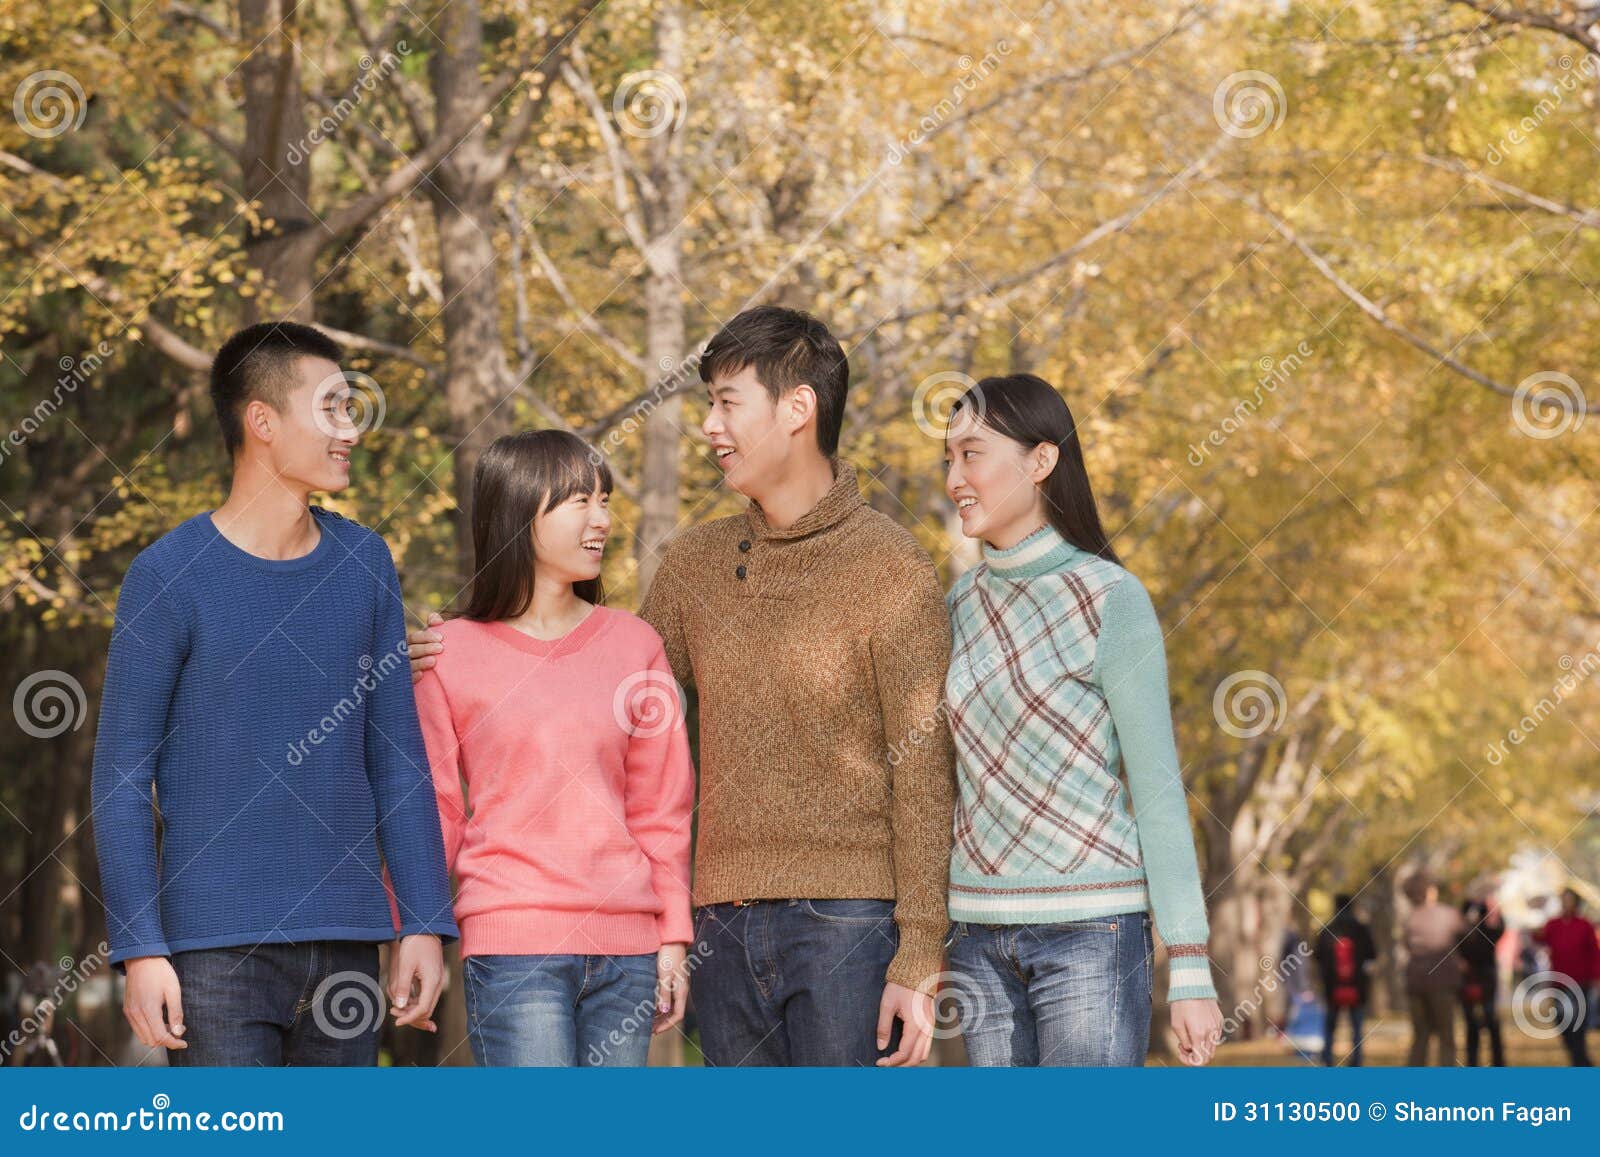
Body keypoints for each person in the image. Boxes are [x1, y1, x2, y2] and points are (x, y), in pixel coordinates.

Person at [410, 306, 956, 1066]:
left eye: (727, 402)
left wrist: (920, 954)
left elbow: (926, 773)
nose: (709, 426)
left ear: (797, 408)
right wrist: (459, 646)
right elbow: (590, 682)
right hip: (721, 930)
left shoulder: (893, 568)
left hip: (851, 925)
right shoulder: (697, 563)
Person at [90, 322, 458, 1066]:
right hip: (212, 955)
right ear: (262, 421)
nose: (351, 428)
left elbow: (397, 760)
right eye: (333, 407)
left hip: (349, 944)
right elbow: (122, 778)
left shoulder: (365, 563)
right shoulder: (165, 577)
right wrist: (140, 948)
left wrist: (423, 916)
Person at [938, 374, 1223, 1066]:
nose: (954, 477)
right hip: (977, 934)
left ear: (1040, 461)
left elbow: (1156, 788)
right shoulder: (958, 604)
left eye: (972, 454)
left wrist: (1188, 961)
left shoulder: (1111, 598)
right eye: (946, 459)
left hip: (1091, 930)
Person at [411, 431, 695, 1066]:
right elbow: (435, 811)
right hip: (514, 946)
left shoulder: (635, 645)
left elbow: (662, 810)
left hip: (628, 952)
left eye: (605, 500)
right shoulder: (445, 654)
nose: (602, 519)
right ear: (518, 511)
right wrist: (419, 928)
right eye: (579, 502)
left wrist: (672, 938)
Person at [1401, 874, 1463, 1066]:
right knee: (1446, 1036)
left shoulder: (1409, 918)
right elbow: (1468, 935)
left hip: (1415, 982)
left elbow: (1406, 945)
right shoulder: (1447, 914)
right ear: (1429, 892)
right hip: (1441, 983)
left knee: (1420, 1036)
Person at [1533, 887, 1596, 1066]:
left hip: (1580, 983)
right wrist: (1537, 916)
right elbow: (1539, 937)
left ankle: (1580, 1064)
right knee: (1561, 1021)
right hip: (1559, 983)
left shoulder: (1584, 925)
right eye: (1563, 900)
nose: (1566, 903)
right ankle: (1582, 1062)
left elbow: (1593, 953)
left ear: (1575, 903)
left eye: (1569, 900)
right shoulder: (1553, 924)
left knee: (1577, 1025)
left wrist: (1596, 978)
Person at [1313, 893, 1377, 1066]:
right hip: (1357, 987)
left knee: (1330, 1026)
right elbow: (1372, 955)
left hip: (1332, 987)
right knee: (1356, 1026)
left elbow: (1317, 956)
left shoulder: (1327, 929)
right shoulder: (1361, 928)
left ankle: (1327, 1058)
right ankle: (1356, 1061)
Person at [1457, 897, 1506, 1067]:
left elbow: (1500, 929)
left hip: (1486, 980)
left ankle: (1497, 1062)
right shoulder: (1460, 933)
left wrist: (1496, 911)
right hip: (1467, 981)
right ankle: (1472, 1062)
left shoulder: (1488, 931)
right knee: (1471, 1023)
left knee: (1491, 1020)